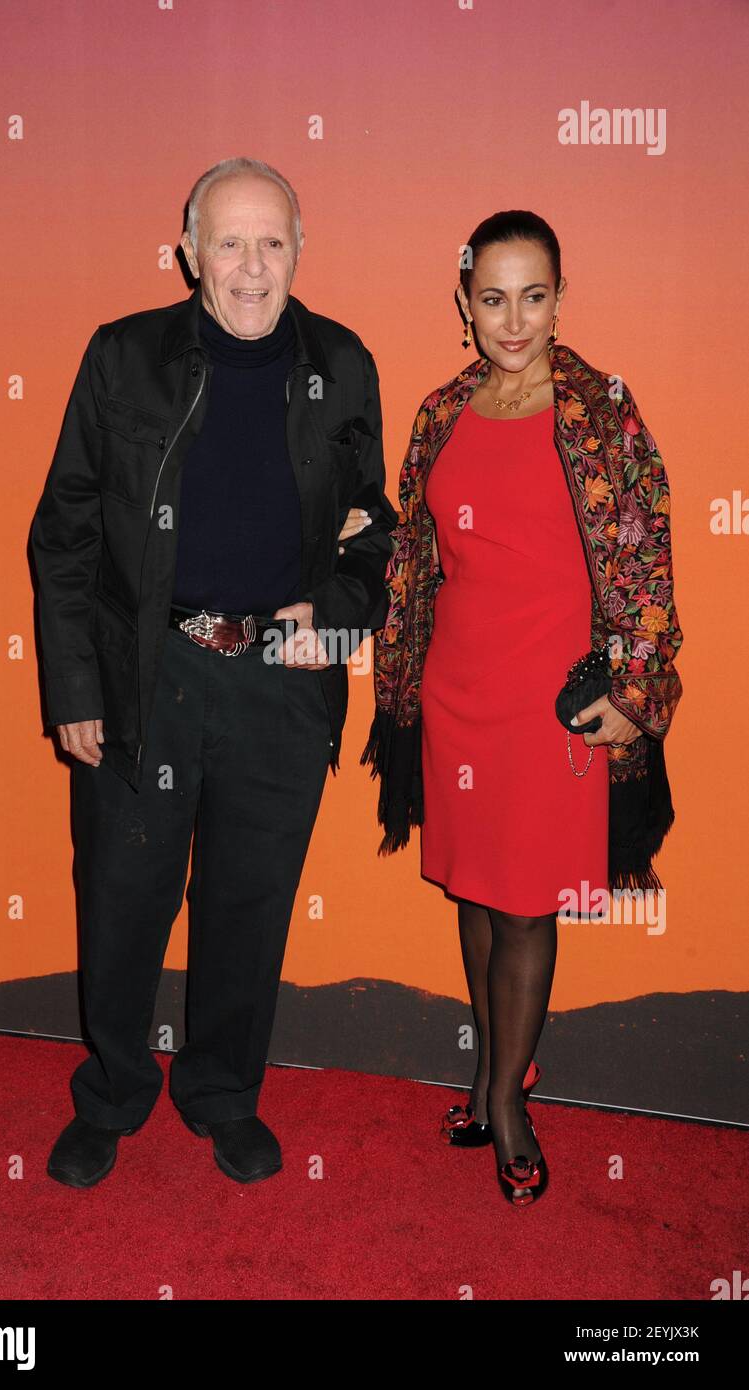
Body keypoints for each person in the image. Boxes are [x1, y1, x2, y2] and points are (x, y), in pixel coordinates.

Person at [29, 156, 397, 1188]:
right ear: (187, 249)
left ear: (299, 251)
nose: (249, 267)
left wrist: (329, 619)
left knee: (248, 905)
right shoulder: (122, 358)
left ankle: (223, 1091)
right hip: (149, 676)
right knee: (121, 899)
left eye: (271, 243)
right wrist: (76, 690)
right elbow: (62, 536)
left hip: (280, 685)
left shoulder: (344, 363)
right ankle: (111, 1092)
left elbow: (376, 535)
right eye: (227, 242)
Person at [361, 211, 683, 1206]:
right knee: (473, 890)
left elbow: (645, 557)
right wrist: (397, 686)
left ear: (559, 297)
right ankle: (487, 1072)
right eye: (491, 297)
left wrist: (636, 695)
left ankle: (506, 1101)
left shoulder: (600, 410)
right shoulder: (439, 412)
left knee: (529, 905)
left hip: (554, 713)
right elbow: (411, 562)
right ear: (462, 302)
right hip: (457, 696)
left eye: (533, 295)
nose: (513, 318)